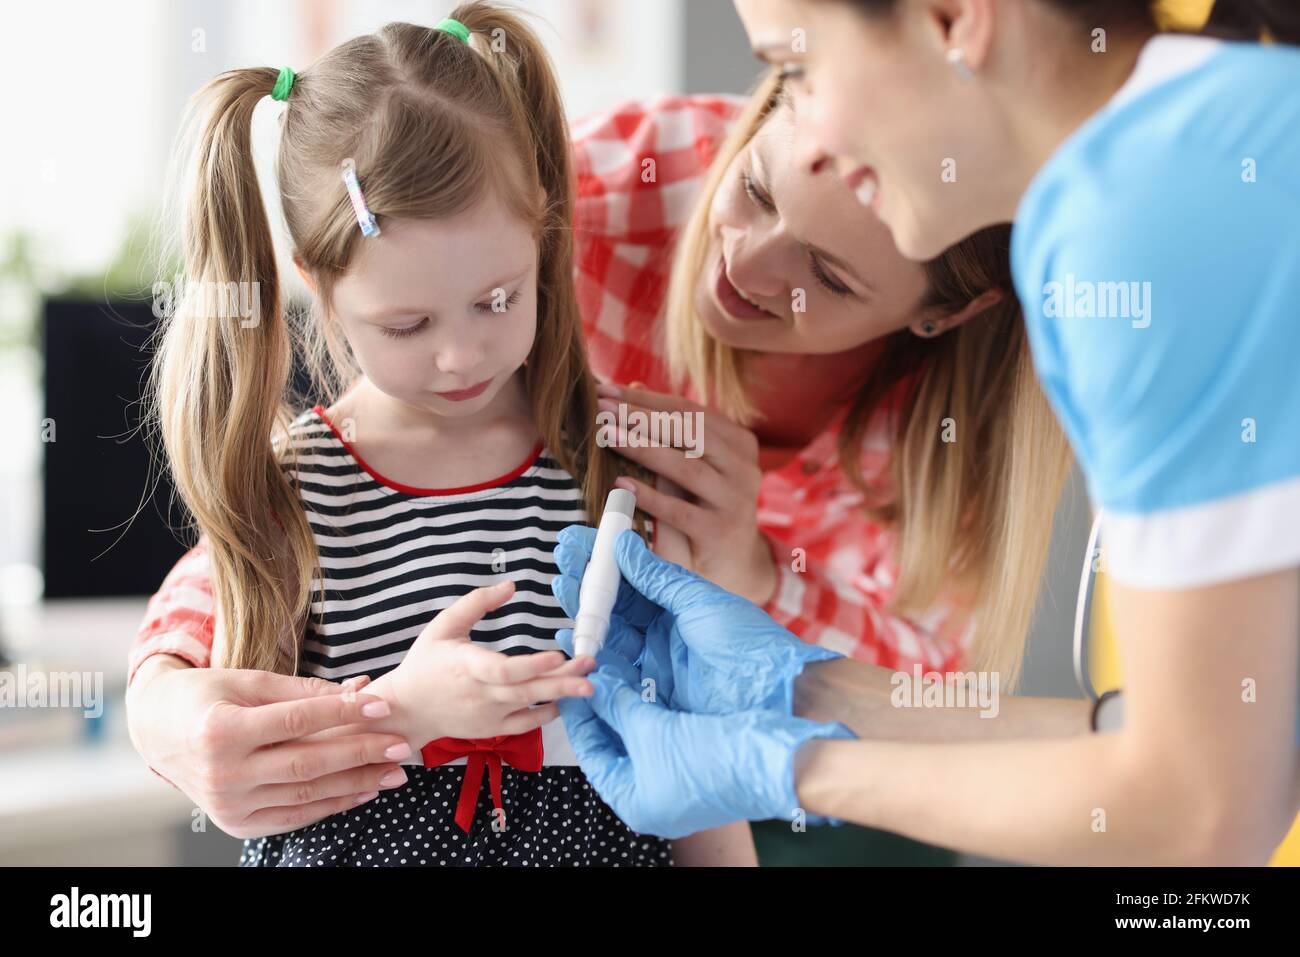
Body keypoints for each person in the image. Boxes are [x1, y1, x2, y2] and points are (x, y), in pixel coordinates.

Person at [127, 62, 1072, 856]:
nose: (749, 261)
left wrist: (750, 580)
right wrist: (166, 698)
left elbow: (904, 710)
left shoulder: (956, 442)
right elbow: (226, 585)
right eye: (755, 191)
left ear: (939, 314)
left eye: (828, 276)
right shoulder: (588, 188)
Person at [552, 0, 1300, 865]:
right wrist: (807, 683)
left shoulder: (1136, 218)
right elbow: (1214, 742)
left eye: (800, 69)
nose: (798, 130)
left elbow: (1203, 810)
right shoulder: (1214, 129)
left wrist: (791, 768)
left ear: (953, 18)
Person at [139, 3, 764, 866]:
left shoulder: (613, 460)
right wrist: (403, 711)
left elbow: (693, 751)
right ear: (321, 290)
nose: (462, 354)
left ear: (543, 235)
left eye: (497, 298)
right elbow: (229, 729)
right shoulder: (295, 485)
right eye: (407, 324)